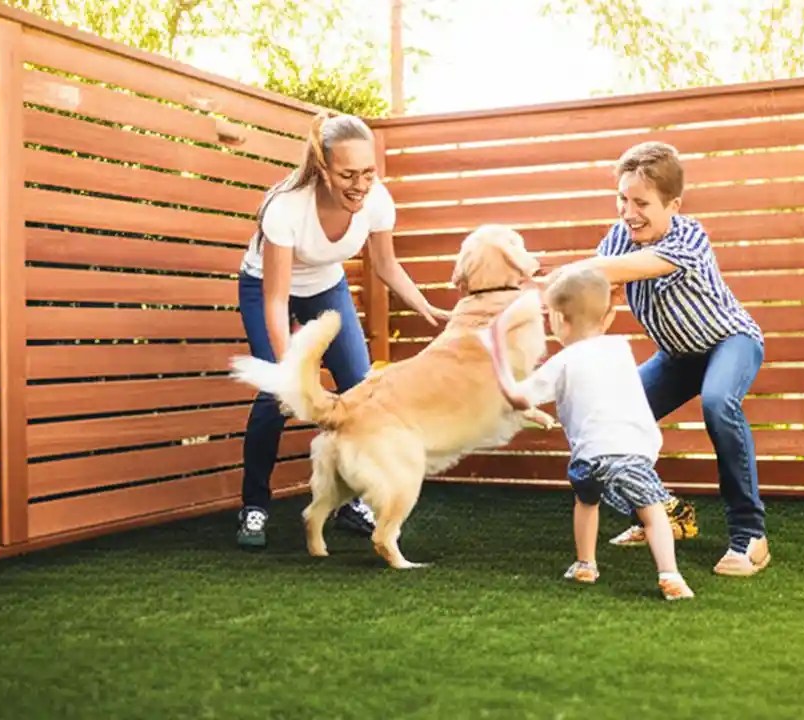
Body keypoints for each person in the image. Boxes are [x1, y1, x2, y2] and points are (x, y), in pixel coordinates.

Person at [542, 141, 771, 577]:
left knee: (719, 403)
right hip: (678, 356)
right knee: (608, 420)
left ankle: (749, 533)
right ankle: (664, 512)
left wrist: (564, 276)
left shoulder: (689, 237)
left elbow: (611, 271)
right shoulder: (617, 239)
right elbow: (591, 295)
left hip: (730, 341)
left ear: (673, 205)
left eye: (641, 202)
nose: (629, 212)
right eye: (623, 199)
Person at [235, 112, 450, 548]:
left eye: (368, 172)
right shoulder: (286, 207)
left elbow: (386, 265)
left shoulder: (377, 200)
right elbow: (277, 300)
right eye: (348, 174)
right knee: (277, 393)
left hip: (325, 286)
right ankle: (254, 505)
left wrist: (425, 305)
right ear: (322, 170)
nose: (360, 184)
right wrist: (291, 369)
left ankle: (351, 503)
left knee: (359, 389)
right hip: (265, 287)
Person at [483, 269, 694, 600]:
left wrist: (500, 365)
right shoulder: (620, 350)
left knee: (586, 501)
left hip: (589, 458)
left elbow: (519, 396)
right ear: (607, 316)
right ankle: (670, 574)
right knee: (652, 514)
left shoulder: (563, 362)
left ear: (557, 320)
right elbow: (600, 320)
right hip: (632, 454)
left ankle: (585, 564)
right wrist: (607, 305)